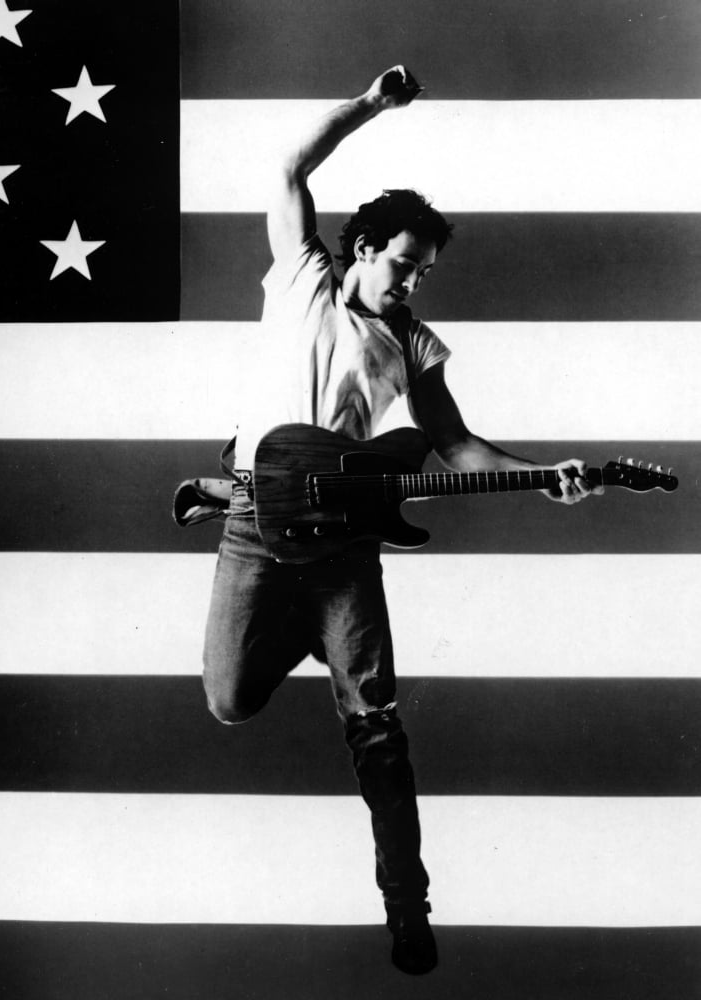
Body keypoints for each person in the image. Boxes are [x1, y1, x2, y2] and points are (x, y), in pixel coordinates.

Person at [201, 65, 602, 975]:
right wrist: (374, 107)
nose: (415, 283)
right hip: (256, 533)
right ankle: (295, 618)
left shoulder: (414, 341)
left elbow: (454, 445)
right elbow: (290, 170)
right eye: (405, 264)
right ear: (365, 247)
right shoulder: (303, 277)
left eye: (426, 272)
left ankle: (407, 906)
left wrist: (544, 477)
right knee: (228, 702)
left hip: (343, 548)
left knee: (377, 729)